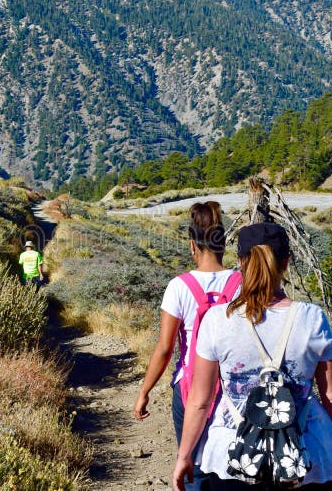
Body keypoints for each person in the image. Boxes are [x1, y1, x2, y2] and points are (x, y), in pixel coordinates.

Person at [172, 222, 332, 491]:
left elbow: (200, 401)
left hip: (234, 455)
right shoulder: (312, 318)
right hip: (304, 454)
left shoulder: (218, 319)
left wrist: (184, 456)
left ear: (241, 262)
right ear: (286, 262)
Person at [134, 201, 237, 491]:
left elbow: (165, 348)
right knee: (234, 466)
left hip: (190, 388)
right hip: (235, 385)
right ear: (223, 243)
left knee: (193, 465)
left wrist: (144, 392)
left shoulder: (179, 287)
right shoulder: (241, 284)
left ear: (192, 245)